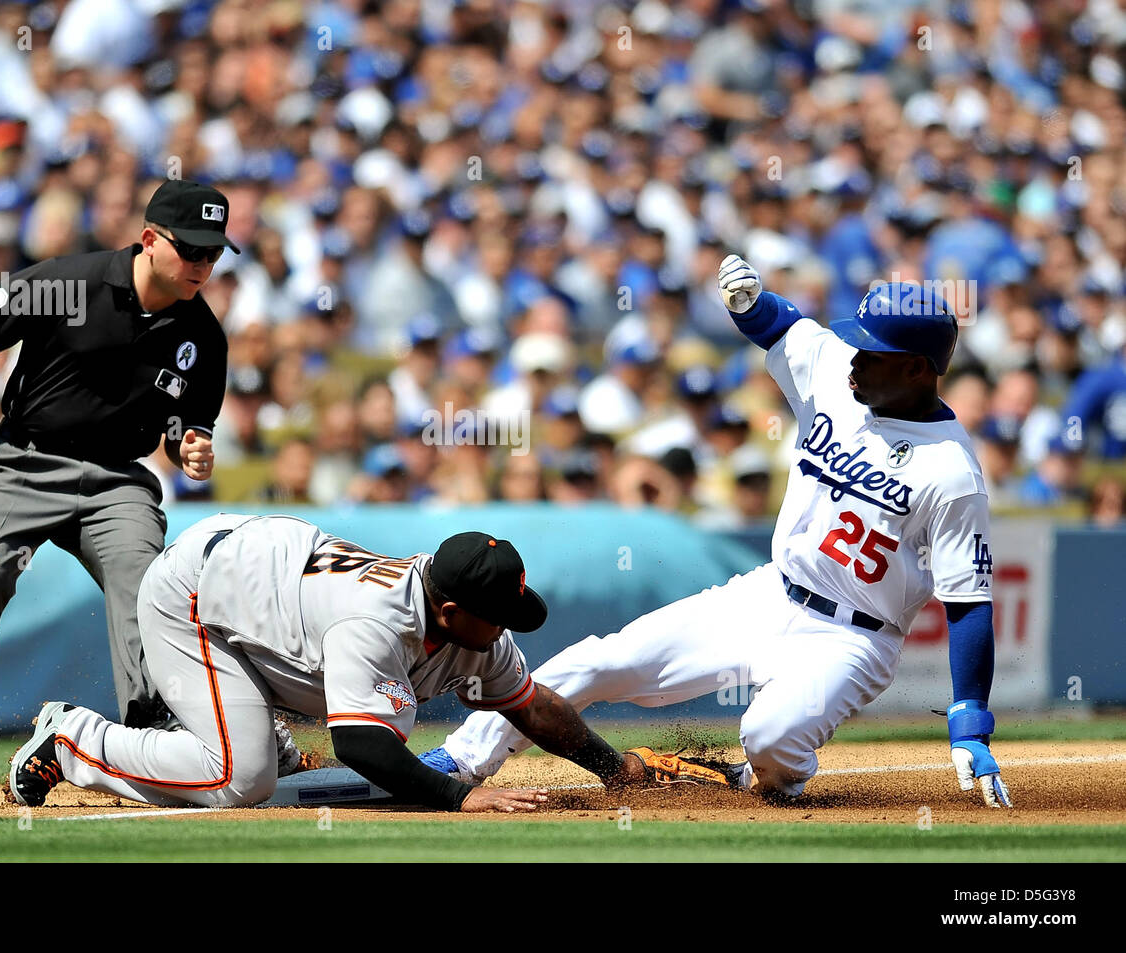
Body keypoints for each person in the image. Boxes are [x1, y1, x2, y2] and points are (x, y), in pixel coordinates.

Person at [421, 256, 1013, 808]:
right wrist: (745, 298)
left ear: (916, 368)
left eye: (871, 351)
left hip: (853, 640)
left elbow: (968, 604)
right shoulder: (838, 370)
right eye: (855, 342)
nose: (853, 356)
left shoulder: (952, 473)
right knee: (604, 661)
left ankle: (762, 779)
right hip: (770, 592)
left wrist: (969, 720)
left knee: (770, 736)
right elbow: (779, 325)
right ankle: (460, 758)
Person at [0, 179, 234, 790]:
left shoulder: (203, 336)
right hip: (24, 463)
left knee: (150, 587)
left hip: (117, 481)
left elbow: (182, 427)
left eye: (214, 254)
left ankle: (153, 744)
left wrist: (190, 446)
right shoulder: (68, 281)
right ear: (150, 240)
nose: (203, 265)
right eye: (192, 250)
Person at [8, 515, 644, 811]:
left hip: (269, 580)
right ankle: (70, 740)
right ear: (449, 611)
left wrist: (616, 769)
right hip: (196, 592)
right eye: (495, 613)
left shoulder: (470, 627)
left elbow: (532, 707)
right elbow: (362, 748)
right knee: (240, 781)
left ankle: (267, 737)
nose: (505, 625)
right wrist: (459, 796)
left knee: (292, 738)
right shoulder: (377, 624)